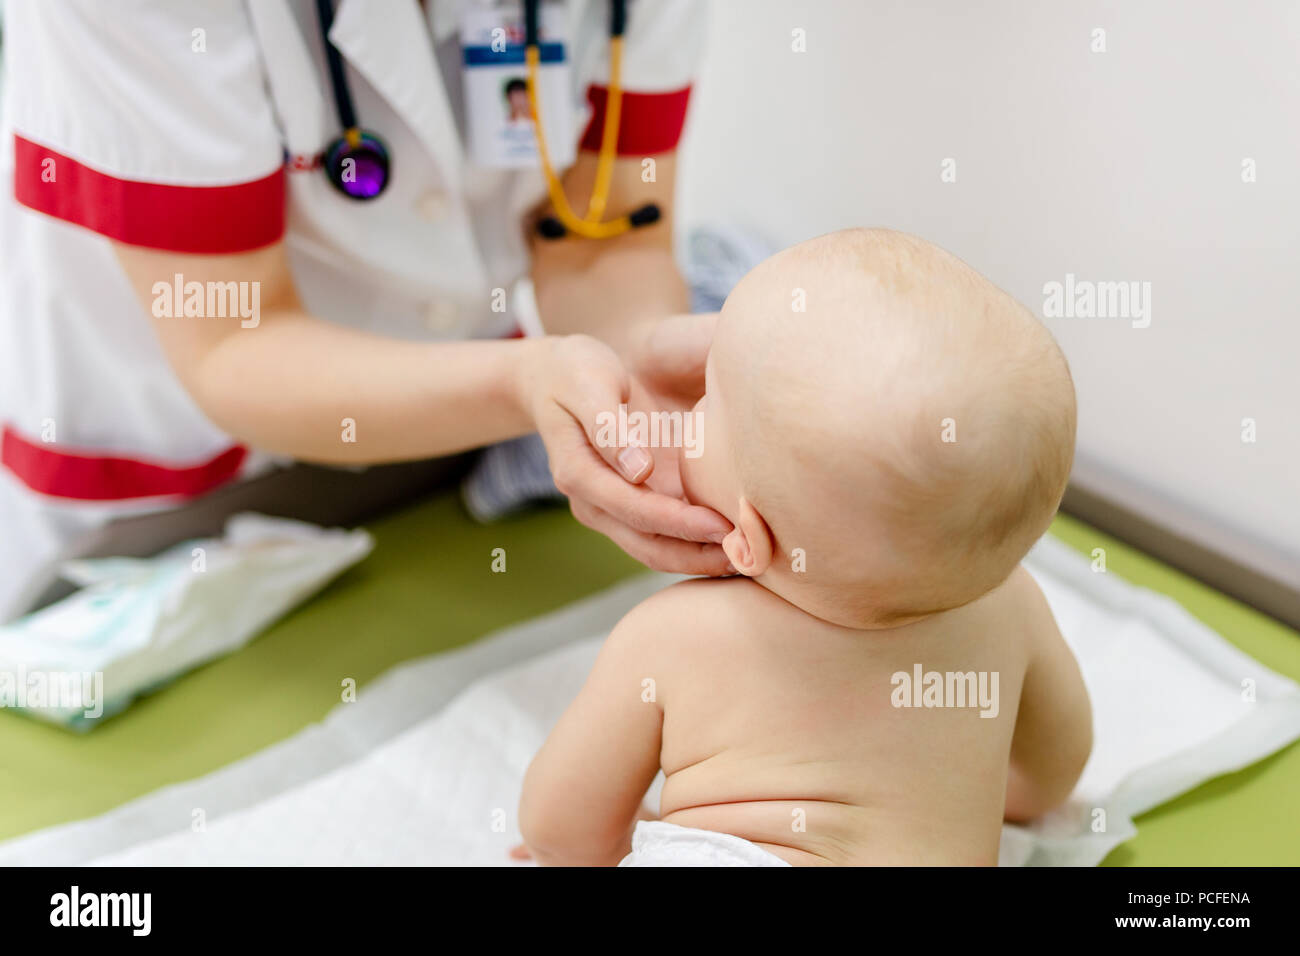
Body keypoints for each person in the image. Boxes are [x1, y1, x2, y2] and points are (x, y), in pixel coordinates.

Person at [0, 0, 728, 620]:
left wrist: (640, 361)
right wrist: (529, 383)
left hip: (450, 455)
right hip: (157, 495)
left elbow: (601, 240)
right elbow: (233, 339)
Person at [517, 229, 1093, 865]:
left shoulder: (671, 635)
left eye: (709, 398)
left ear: (749, 537)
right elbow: (1050, 777)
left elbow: (560, 824)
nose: (689, 408)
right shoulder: (1013, 610)